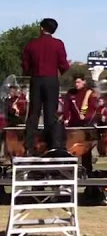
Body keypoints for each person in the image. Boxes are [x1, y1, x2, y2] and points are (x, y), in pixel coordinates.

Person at [21, 18, 70, 155]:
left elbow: (25, 65)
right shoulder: (58, 44)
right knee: (50, 113)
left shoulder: (31, 44)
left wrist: (31, 71)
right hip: (51, 80)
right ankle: (52, 144)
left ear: (42, 28)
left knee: (34, 113)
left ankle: (29, 146)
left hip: (36, 79)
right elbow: (64, 65)